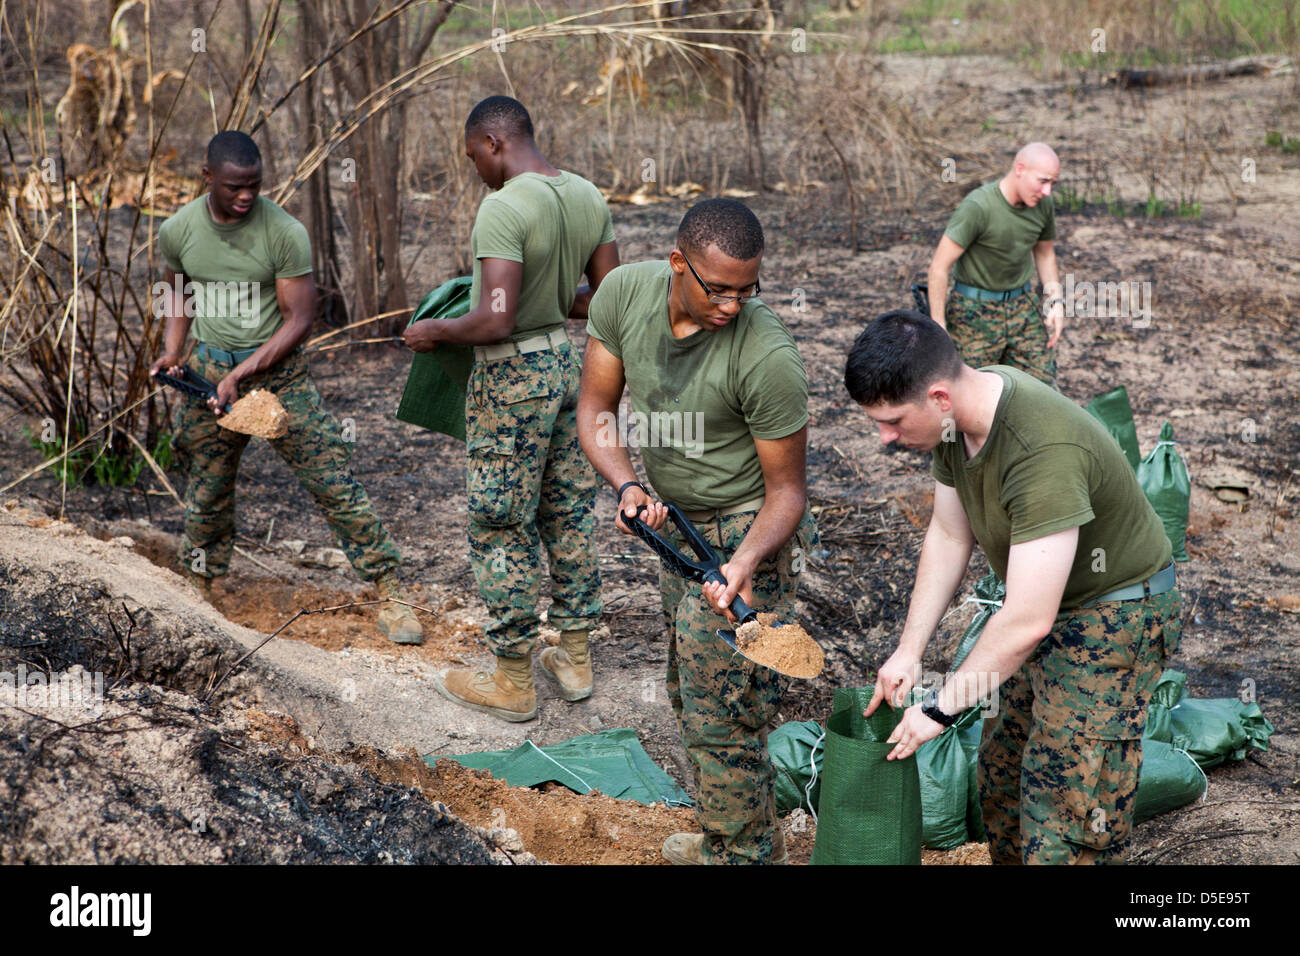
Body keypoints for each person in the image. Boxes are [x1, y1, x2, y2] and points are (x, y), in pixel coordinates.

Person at [844, 310, 1181, 865]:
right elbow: (952, 534)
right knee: (1001, 784)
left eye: (894, 421)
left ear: (939, 397)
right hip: (1044, 605)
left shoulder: (1041, 451)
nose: (885, 437)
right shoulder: (958, 420)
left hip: (1115, 617)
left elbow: (1026, 621)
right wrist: (909, 651)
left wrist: (936, 709)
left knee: (1067, 814)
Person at [577, 198, 817, 865]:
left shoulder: (767, 354)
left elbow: (789, 492)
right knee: (690, 690)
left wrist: (743, 562)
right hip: (675, 524)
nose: (733, 306)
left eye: (748, 291)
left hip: (747, 527)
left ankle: (744, 855)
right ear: (678, 264)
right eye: (719, 290)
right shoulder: (625, 295)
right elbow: (596, 408)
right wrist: (626, 483)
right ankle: (730, 833)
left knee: (724, 704)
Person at [151, 131, 422, 644]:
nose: (247, 195)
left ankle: (390, 589)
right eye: (234, 186)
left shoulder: (284, 232)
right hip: (209, 372)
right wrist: (173, 350)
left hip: (276, 377)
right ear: (208, 177)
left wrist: (242, 375)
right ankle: (200, 587)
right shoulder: (179, 230)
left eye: (254, 185)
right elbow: (177, 290)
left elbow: (299, 321)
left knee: (332, 480)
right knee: (206, 488)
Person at [404, 96, 619, 722]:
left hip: (512, 375)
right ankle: (575, 659)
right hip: (565, 365)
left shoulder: (502, 207)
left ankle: (513, 679)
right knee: (569, 511)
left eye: (474, 156)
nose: (475, 168)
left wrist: (433, 333)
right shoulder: (586, 194)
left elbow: (494, 319)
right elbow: (606, 295)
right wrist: (551, 298)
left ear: (494, 142)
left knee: (502, 523)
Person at [927, 142, 1064, 386]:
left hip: (1022, 306)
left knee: (1042, 392)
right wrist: (939, 325)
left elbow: (1044, 253)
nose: (1047, 191)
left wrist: (1055, 300)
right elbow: (939, 267)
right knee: (967, 394)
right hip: (974, 311)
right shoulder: (978, 207)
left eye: (1052, 183)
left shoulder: (1043, 205)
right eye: (1043, 181)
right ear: (1020, 168)